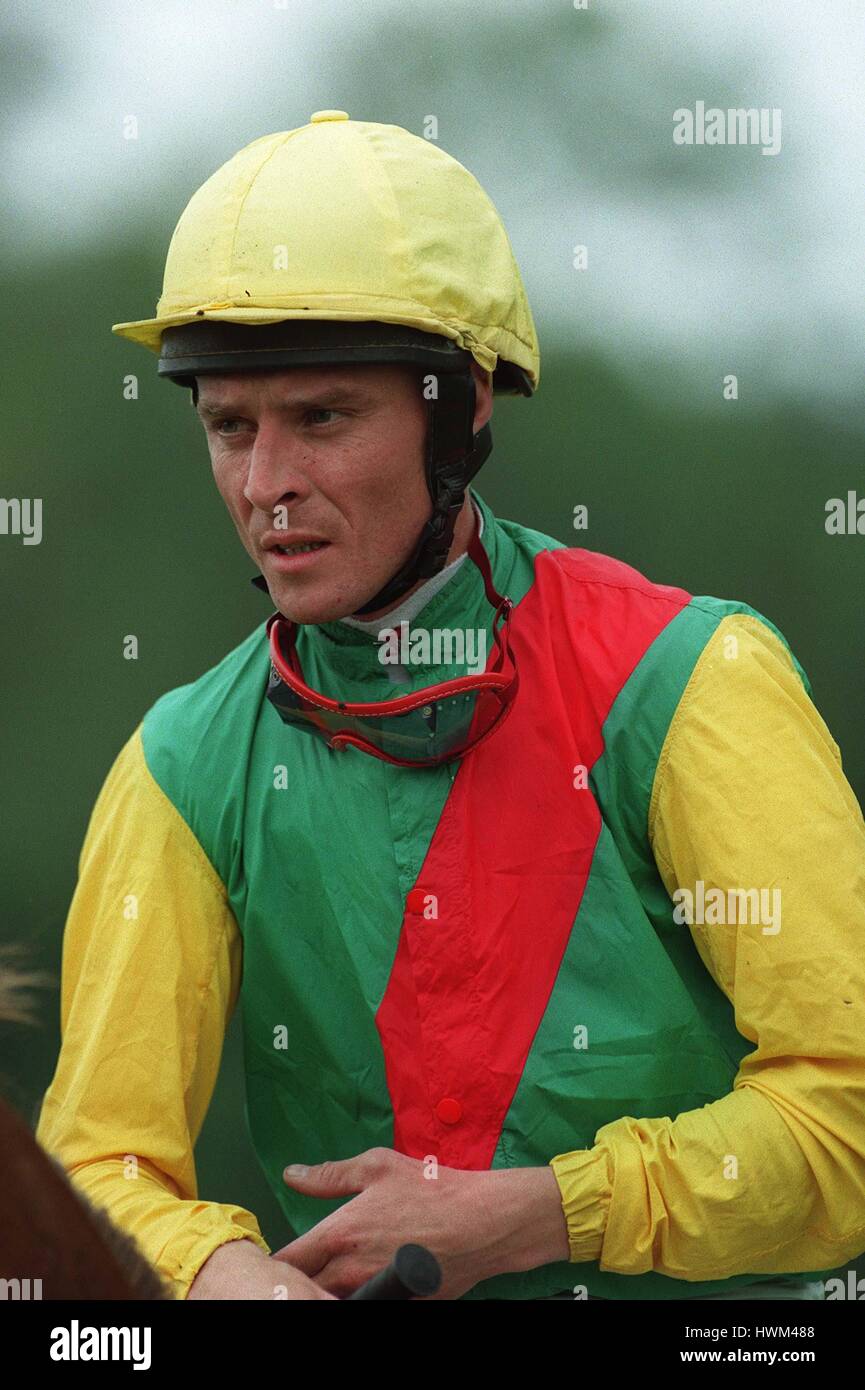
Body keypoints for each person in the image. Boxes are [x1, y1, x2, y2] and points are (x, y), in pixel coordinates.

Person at [36, 111, 865, 1301]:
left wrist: (541, 1213)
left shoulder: (693, 680)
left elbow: (845, 1117)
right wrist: (222, 1274)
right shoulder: (180, 763)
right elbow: (94, 1163)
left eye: (321, 417)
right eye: (230, 427)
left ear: (462, 408)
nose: (267, 485)